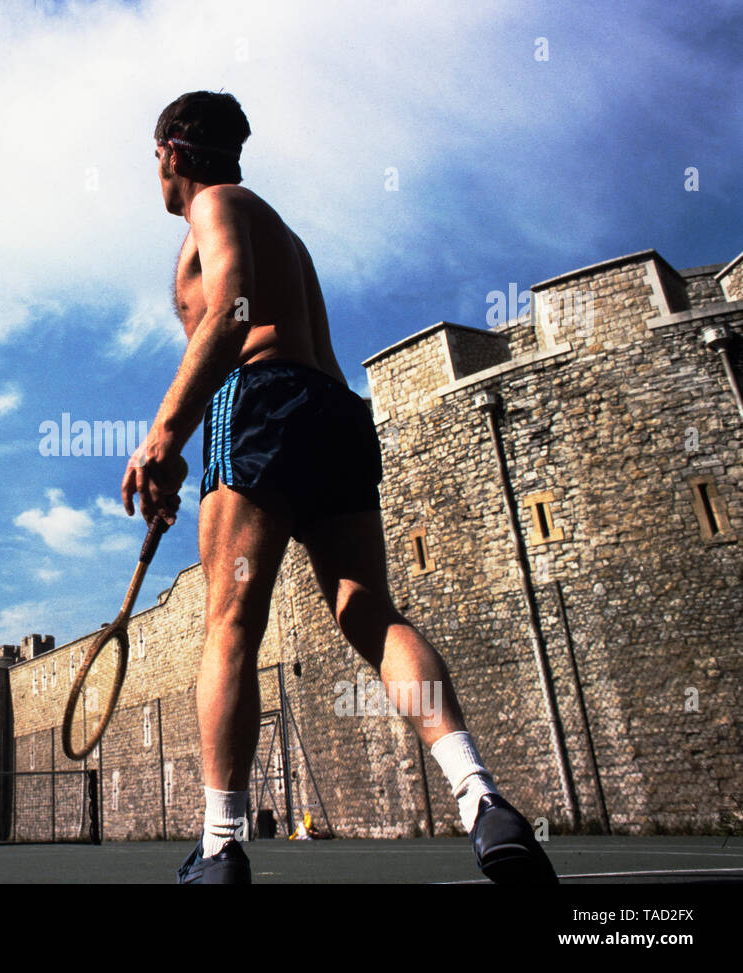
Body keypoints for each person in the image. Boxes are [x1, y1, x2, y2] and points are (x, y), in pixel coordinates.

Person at [120, 91, 557, 885]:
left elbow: (232, 314)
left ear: (173, 154)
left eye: (154, 159)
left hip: (263, 402)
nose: (155, 174)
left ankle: (219, 846)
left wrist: (161, 437)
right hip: (333, 412)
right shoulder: (280, 230)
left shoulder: (217, 205)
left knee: (229, 624)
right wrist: (182, 454)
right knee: (367, 608)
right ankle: (482, 798)